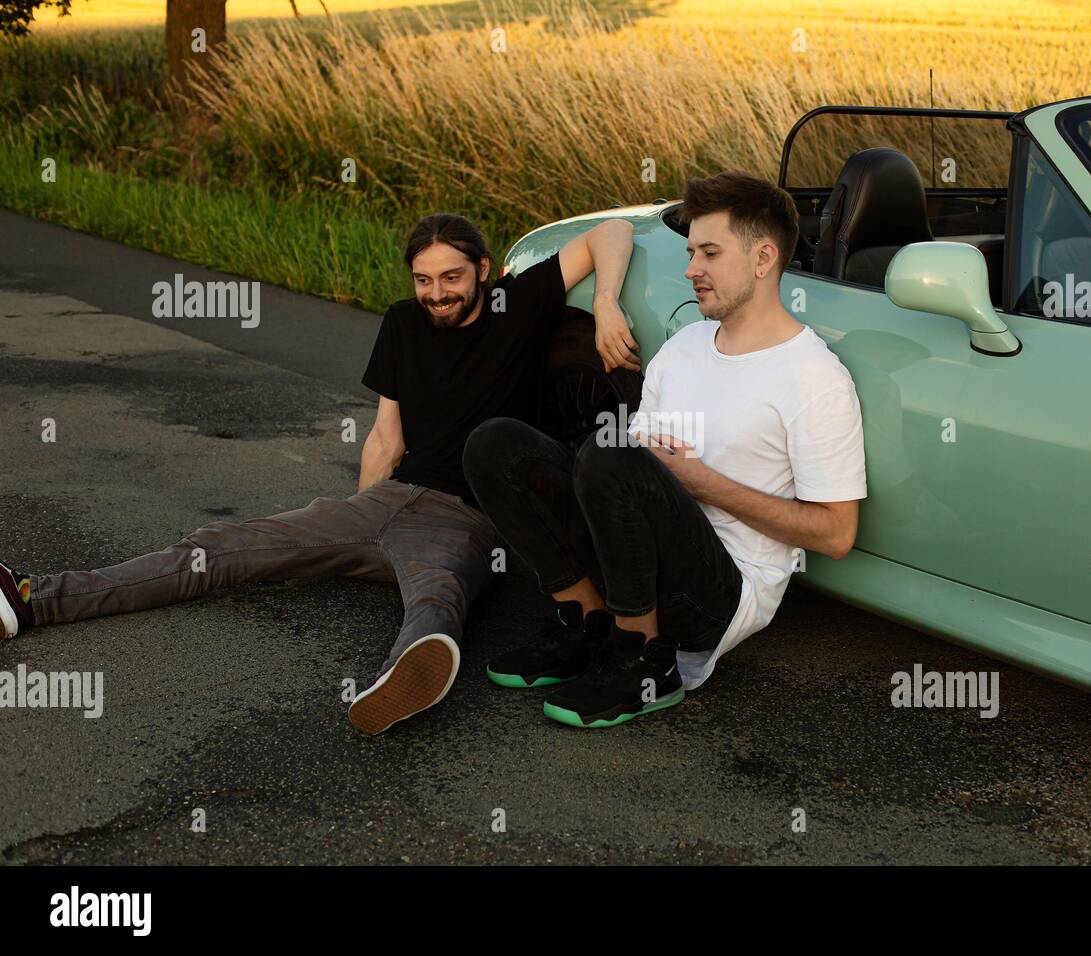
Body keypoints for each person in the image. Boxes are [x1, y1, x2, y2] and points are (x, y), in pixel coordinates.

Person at [0, 212, 639, 736]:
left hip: (471, 514)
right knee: (218, 549)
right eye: (423, 279)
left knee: (437, 593)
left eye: (451, 276)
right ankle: (30, 601)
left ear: (481, 269)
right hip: (387, 499)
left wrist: (606, 302)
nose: (438, 293)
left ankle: (404, 680)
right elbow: (387, 433)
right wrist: (360, 526)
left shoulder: (516, 304)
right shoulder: (401, 323)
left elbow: (610, 230)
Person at [461, 170, 868, 728]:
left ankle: (643, 666)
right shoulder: (686, 346)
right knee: (496, 444)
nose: (691, 269)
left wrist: (703, 483)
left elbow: (836, 533)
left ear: (763, 258)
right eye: (690, 251)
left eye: (709, 253)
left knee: (610, 457)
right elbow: (637, 468)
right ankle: (586, 623)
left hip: (716, 593)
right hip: (639, 556)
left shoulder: (812, 377)